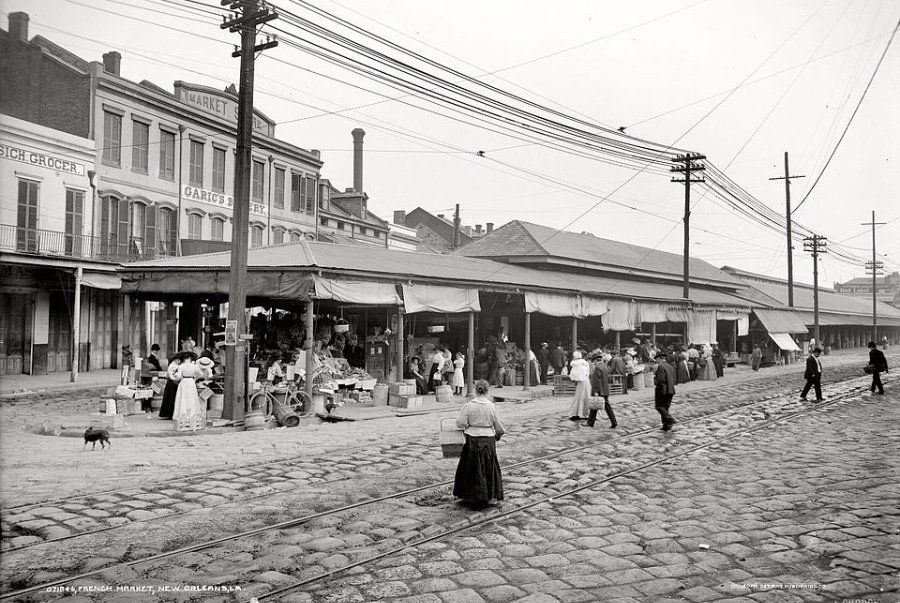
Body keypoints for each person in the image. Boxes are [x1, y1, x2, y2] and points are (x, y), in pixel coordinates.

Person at [453, 379, 505, 508]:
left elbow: (460, 422)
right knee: (489, 467)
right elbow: (500, 427)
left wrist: (468, 425)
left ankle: (469, 496)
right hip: (488, 439)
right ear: (487, 391)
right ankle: (490, 495)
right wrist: (497, 436)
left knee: (470, 466)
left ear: (476, 390)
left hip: (472, 439)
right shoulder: (492, 406)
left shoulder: (469, 405)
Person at [172, 354, 204, 430]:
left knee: (183, 398)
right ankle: (192, 415)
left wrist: (176, 376)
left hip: (184, 382)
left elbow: (179, 376)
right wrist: (195, 377)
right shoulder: (194, 366)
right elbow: (201, 374)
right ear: (190, 358)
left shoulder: (181, 366)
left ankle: (183, 415)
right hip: (191, 382)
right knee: (192, 398)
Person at [587, 353, 616, 428]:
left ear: (596, 360)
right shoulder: (605, 366)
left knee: (602, 406)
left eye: (594, 361)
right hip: (605, 389)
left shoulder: (598, 367)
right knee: (595, 406)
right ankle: (590, 422)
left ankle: (614, 422)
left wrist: (596, 391)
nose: (593, 363)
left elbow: (597, 381)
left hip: (600, 390)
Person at [158, 352, 184, 420]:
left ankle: (169, 413)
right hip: (172, 383)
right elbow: (172, 376)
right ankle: (170, 413)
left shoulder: (174, 365)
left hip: (172, 383)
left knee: (170, 398)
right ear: (176, 359)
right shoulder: (173, 366)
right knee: (171, 398)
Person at [654, 353, 677, 431]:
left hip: (662, 390)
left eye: (656, 359)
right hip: (671, 389)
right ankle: (666, 426)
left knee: (659, 406)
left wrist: (656, 381)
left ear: (660, 358)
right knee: (665, 408)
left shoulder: (660, 366)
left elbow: (661, 379)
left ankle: (670, 419)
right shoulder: (670, 366)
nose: (656, 361)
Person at [567, 351, 591, 421]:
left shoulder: (576, 363)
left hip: (580, 381)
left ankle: (577, 412)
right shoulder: (586, 363)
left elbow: (572, 366)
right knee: (586, 396)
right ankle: (586, 412)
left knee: (579, 396)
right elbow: (588, 373)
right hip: (586, 380)